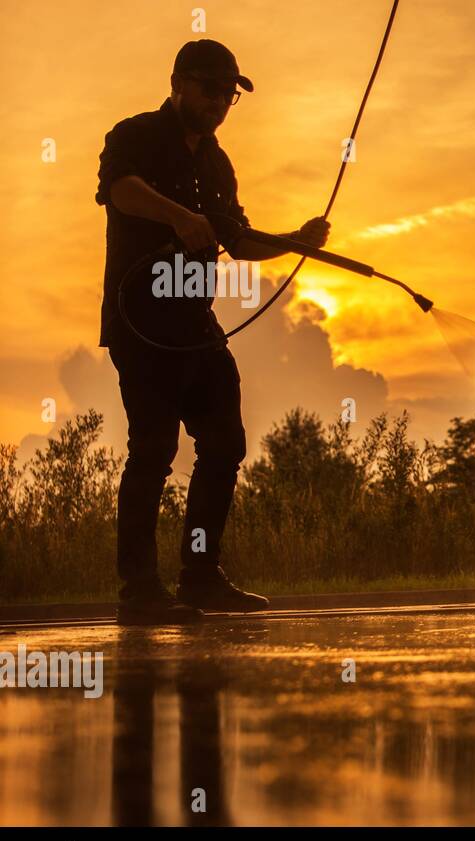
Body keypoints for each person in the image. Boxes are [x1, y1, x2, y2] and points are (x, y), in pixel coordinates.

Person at [96, 39, 330, 624]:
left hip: (196, 325)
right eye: (209, 89)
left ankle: (200, 577)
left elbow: (239, 240)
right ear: (177, 82)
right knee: (152, 450)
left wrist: (295, 242)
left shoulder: (218, 163)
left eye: (229, 94)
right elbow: (120, 189)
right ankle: (140, 592)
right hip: (140, 322)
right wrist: (177, 216)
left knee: (224, 443)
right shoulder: (134, 135)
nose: (220, 102)